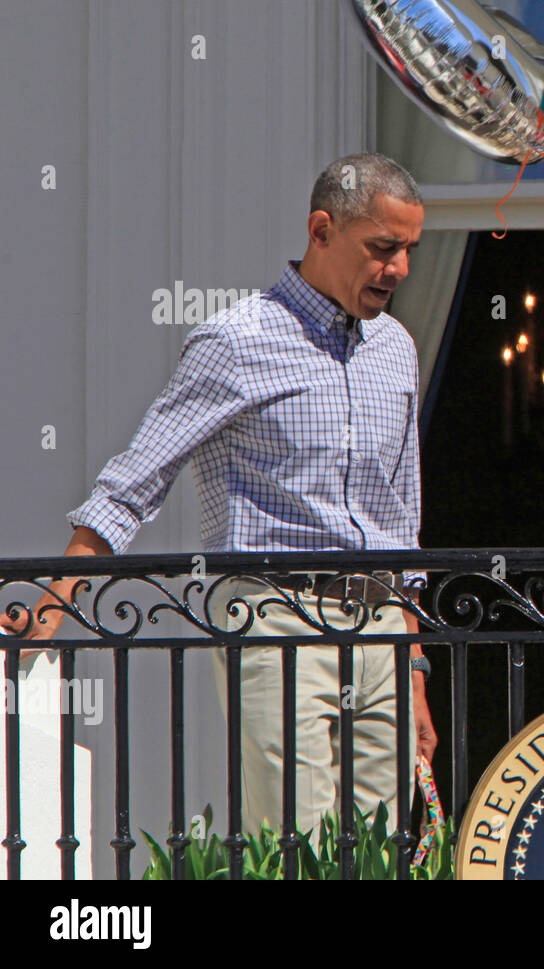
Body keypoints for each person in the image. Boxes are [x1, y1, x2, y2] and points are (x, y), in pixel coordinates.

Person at [0, 152, 436, 836]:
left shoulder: (396, 348)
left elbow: (399, 512)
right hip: (274, 614)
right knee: (298, 842)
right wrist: (56, 600)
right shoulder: (236, 340)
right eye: (383, 248)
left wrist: (413, 662)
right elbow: (140, 475)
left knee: (382, 846)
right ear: (321, 230)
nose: (400, 269)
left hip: (381, 627)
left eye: (410, 250)